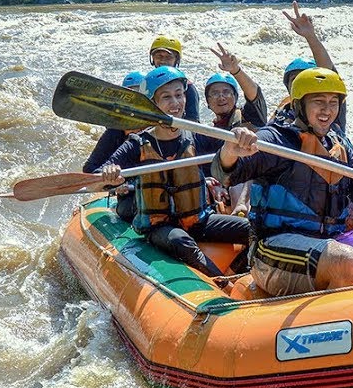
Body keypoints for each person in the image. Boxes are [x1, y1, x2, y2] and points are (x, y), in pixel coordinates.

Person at [212, 67, 353, 296]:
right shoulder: (277, 139)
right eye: (319, 102)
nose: (327, 110)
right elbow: (224, 173)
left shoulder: (339, 144)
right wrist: (230, 151)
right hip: (273, 250)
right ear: (300, 105)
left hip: (329, 244)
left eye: (333, 102)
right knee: (345, 261)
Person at [97, 66, 251, 277]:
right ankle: (222, 281)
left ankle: (237, 271)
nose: (175, 103)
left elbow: (229, 146)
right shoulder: (137, 143)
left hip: (198, 220)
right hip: (159, 227)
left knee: (253, 229)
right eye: (166, 97)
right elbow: (100, 173)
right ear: (153, 103)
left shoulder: (195, 135)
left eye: (179, 95)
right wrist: (110, 173)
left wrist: (238, 136)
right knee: (180, 240)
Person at [203, 42, 270, 215]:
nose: (221, 97)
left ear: (235, 97)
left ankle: (241, 210)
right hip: (223, 189)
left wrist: (236, 70)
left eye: (226, 92)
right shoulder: (206, 134)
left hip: (252, 183)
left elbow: (254, 95)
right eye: (215, 93)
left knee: (239, 180)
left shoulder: (250, 115)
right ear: (208, 103)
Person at [269, 2, 346, 132]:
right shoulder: (283, 113)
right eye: (295, 79)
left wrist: (311, 36)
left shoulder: (332, 109)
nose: (327, 109)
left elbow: (327, 72)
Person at [83, 71, 148, 222]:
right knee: (127, 208)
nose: (133, 105)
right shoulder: (114, 132)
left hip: (158, 188)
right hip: (129, 193)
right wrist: (112, 184)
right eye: (129, 99)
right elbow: (90, 170)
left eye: (138, 99)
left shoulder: (158, 130)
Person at [148, 34, 201, 122]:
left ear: (177, 60)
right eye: (159, 56)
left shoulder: (188, 88)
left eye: (168, 57)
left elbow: (193, 121)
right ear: (153, 59)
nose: (163, 60)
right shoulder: (147, 83)